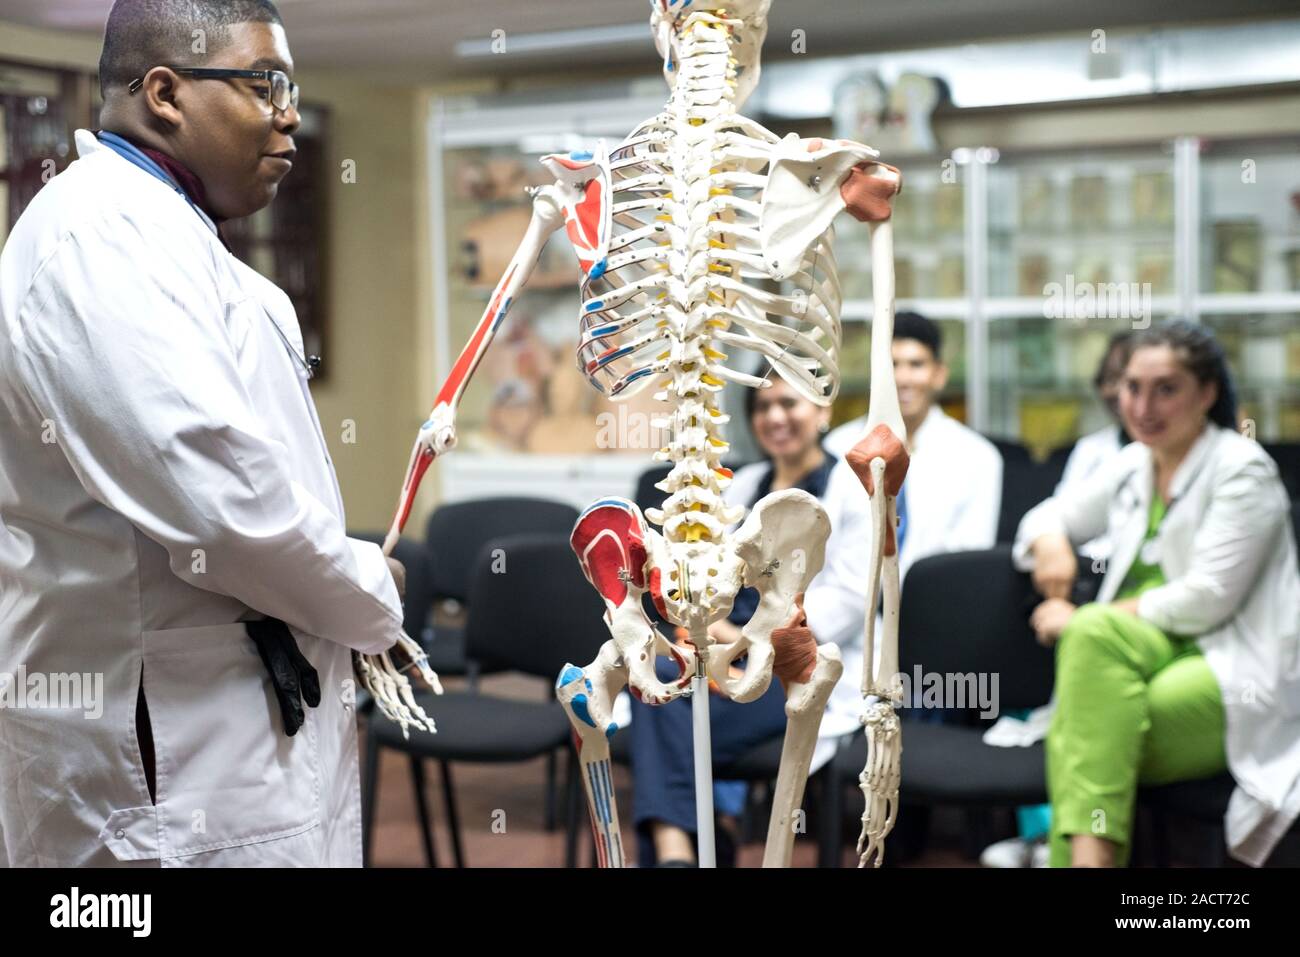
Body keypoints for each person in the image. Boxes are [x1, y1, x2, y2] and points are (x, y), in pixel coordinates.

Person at [0, 0, 407, 867]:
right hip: (162, 764)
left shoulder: (173, 239)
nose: (290, 113)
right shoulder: (96, 238)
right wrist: (372, 588)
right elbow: (221, 506)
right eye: (267, 84)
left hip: (227, 733)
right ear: (165, 93)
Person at [1015, 320, 1300, 867]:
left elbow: (1207, 598)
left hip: (1227, 661)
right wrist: (1051, 541)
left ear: (1207, 393)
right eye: (1131, 387)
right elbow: (1047, 514)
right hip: (1141, 653)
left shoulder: (1243, 469)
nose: (1143, 406)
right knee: (1095, 695)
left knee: (1084, 729)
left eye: (1166, 388)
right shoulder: (1133, 464)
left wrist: (1079, 618)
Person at [629, 375, 870, 866]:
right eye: (762, 407)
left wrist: (740, 639)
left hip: (792, 668)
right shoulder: (743, 485)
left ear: (822, 413)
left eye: (788, 403)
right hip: (717, 652)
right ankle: (705, 835)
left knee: (666, 704)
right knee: (659, 683)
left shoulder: (852, 493)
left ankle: (681, 846)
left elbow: (847, 599)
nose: (775, 417)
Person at [980, 329, 1134, 869]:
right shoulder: (1094, 453)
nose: (1128, 395)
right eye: (1117, 380)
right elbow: (1055, 518)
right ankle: (1043, 835)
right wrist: (1052, 544)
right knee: (1032, 681)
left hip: (1133, 611)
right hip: (1084, 590)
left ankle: (1073, 840)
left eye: (1143, 383)